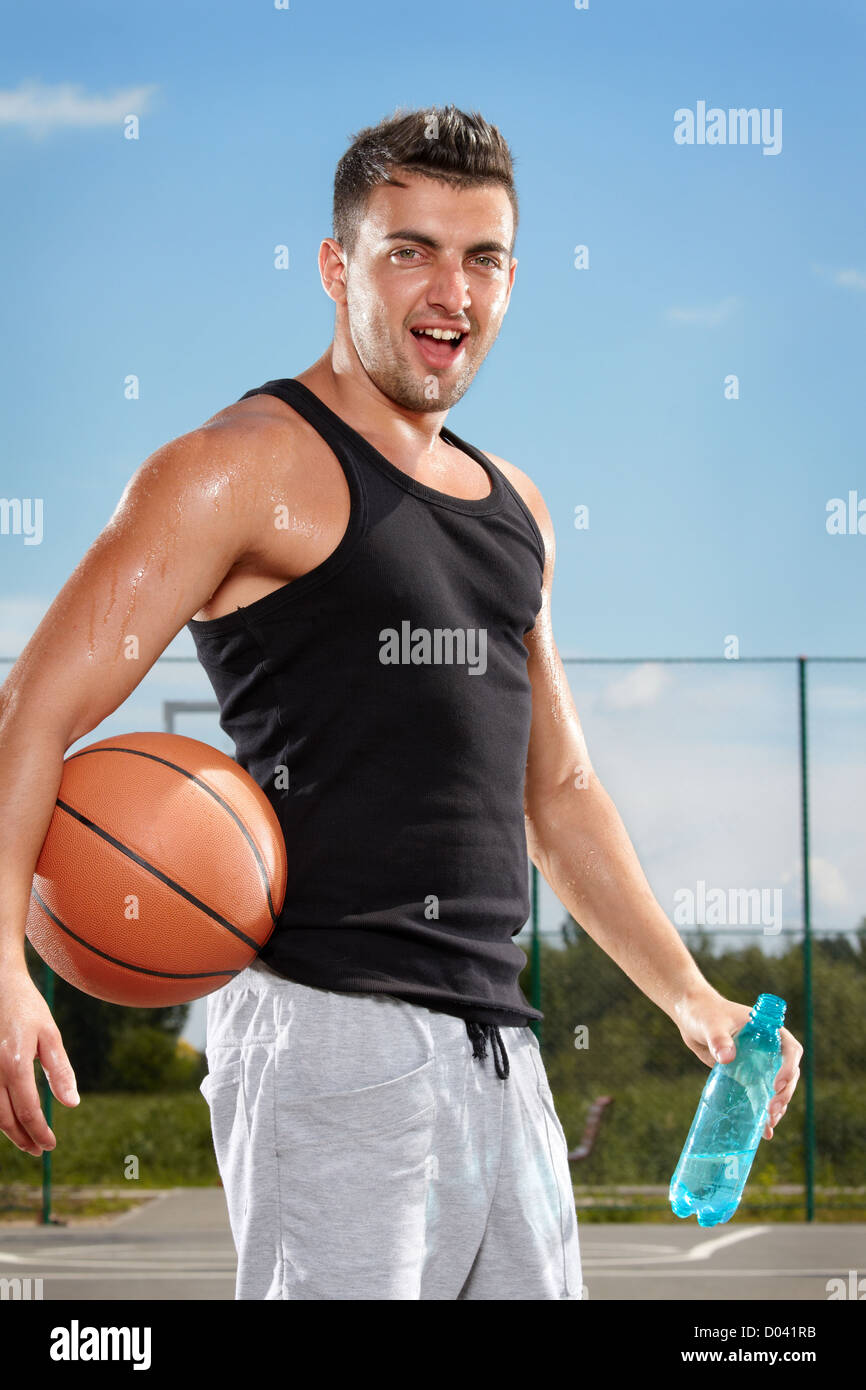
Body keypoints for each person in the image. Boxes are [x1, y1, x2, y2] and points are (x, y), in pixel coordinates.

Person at [0, 104, 802, 1300]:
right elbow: (34, 710)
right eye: (408, 250)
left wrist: (687, 992)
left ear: (512, 277)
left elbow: (560, 790)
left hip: (500, 1048)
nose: (450, 291)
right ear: (336, 267)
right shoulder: (239, 465)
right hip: (330, 1039)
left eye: (481, 257)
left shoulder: (514, 505)